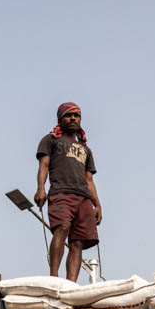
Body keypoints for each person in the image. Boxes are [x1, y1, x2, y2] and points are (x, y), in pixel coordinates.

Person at [35, 102, 102, 281]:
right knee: (62, 227)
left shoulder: (86, 149)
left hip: (84, 198)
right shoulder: (50, 140)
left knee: (78, 241)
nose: (73, 118)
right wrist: (41, 188)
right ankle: (54, 278)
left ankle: (71, 284)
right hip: (61, 193)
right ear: (60, 118)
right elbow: (44, 166)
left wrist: (97, 204)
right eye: (68, 115)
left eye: (76, 115)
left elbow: (89, 180)